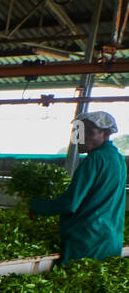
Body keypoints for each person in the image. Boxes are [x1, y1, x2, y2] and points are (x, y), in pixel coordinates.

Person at [29, 110, 126, 264]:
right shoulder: (118, 159)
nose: (80, 138)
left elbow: (70, 204)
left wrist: (37, 205)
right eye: (78, 132)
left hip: (87, 241)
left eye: (88, 132)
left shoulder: (95, 159)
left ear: (105, 133)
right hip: (110, 239)